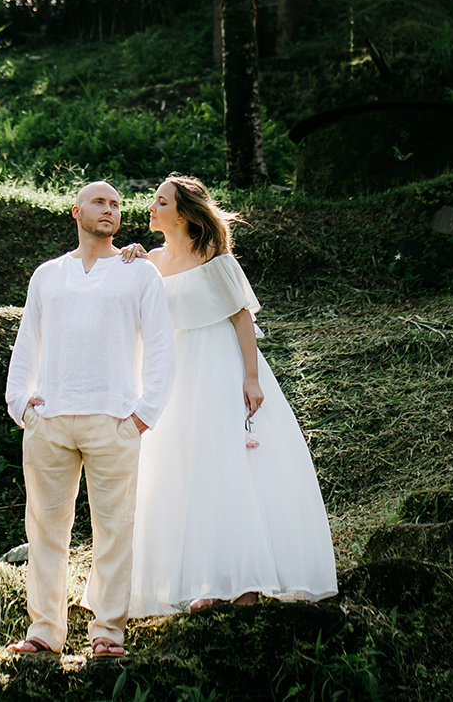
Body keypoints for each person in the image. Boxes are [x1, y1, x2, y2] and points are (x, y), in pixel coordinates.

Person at [126, 174, 337, 615]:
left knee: (228, 464)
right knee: (190, 469)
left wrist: (251, 377)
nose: (152, 207)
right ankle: (210, 579)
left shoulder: (215, 258)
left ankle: (246, 581)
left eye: (161, 201)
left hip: (219, 362)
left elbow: (242, 318)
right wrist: (131, 258)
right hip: (178, 371)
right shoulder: (153, 261)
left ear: (182, 214)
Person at [3, 180, 175, 658]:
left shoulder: (139, 274)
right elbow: (27, 340)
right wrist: (20, 405)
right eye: (99, 202)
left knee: (115, 531)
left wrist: (143, 414)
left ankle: (107, 632)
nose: (110, 209)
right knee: (44, 531)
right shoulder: (48, 275)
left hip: (115, 420)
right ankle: (44, 631)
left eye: (116, 204)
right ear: (76, 212)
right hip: (50, 420)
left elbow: (161, 347)